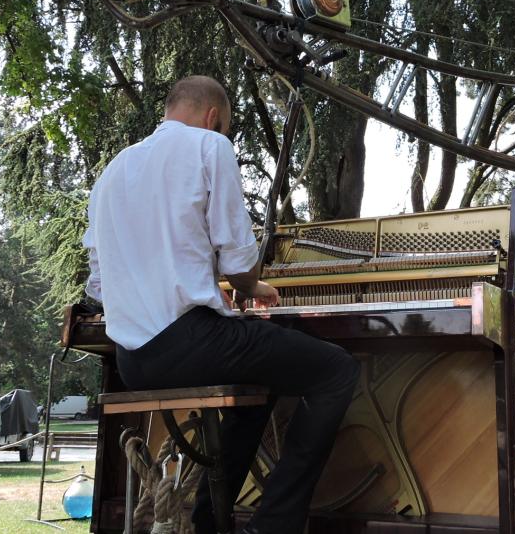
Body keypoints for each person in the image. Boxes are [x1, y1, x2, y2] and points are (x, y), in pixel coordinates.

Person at [83, 75, 360, 534]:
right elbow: (236, 259)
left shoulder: (113, 170)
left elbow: (98, 282)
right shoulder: (209, 147)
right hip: (191, 343)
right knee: (336, 371)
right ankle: (273, 525)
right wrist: (252, 287)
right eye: (223, 126)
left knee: (257, 389)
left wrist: (181, 284)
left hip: (133, 360)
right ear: (213, 117)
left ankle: (211, 521)